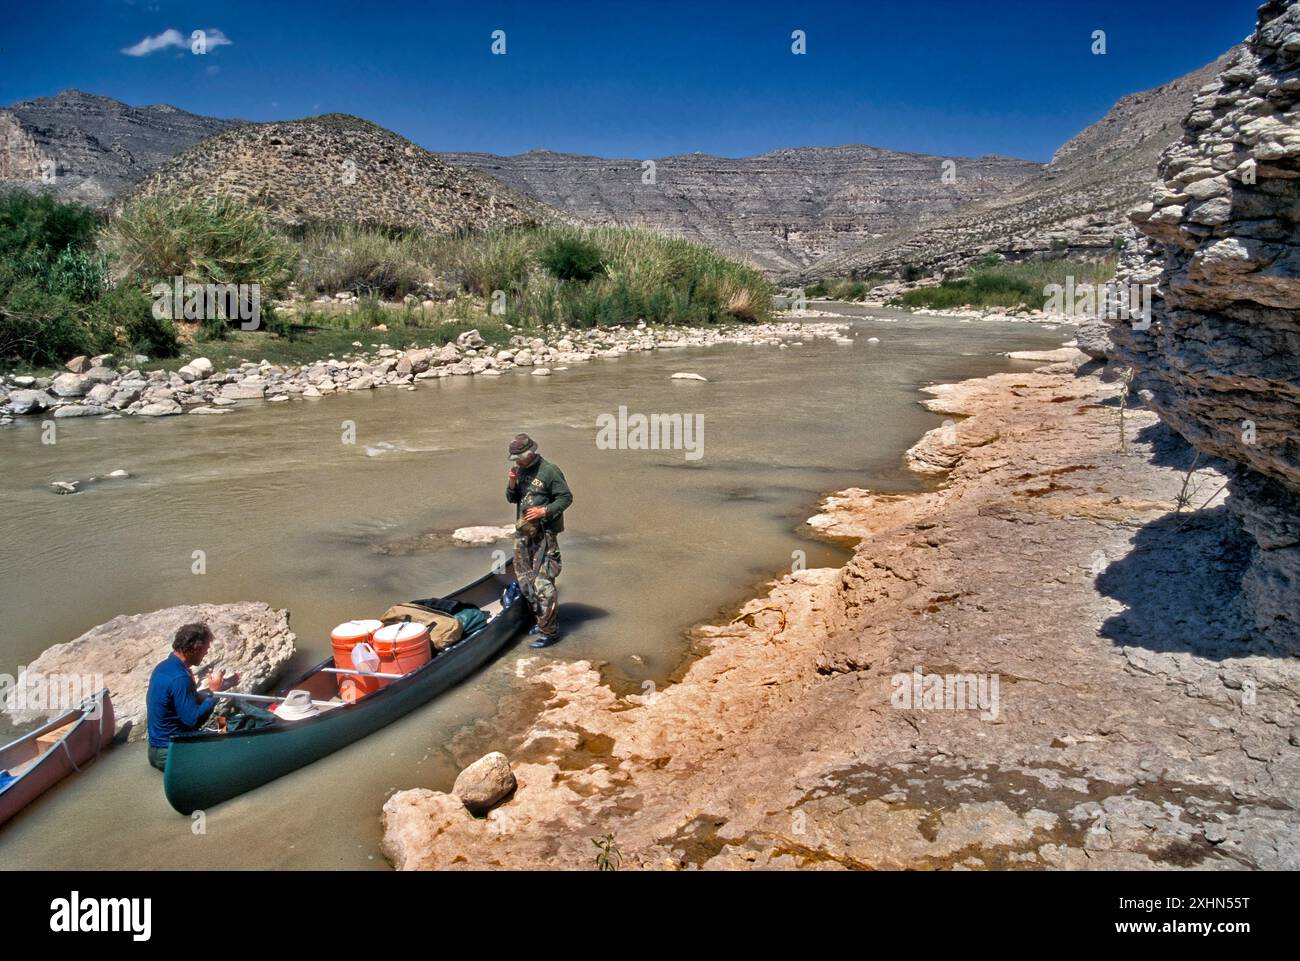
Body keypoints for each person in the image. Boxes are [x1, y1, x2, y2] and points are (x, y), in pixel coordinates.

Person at [506, 433, 573, 648]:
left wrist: (544, 510)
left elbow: (566, 497)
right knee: (525, 580)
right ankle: (539, 619)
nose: (518, 461)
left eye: (521, 457)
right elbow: (512, 498)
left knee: (543, 583)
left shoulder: (549, 471)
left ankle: (550, 632)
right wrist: (513, 481)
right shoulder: (520, 469)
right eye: (515, 458)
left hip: (544, 535)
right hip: (524, 534)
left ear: (531, 452)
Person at [145, 622, 235, 771]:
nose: (206, 652)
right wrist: (214, 694)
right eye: (205, 649)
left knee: (222, 721)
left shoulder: (165, 667)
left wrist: (223, 685)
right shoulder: (180, 677)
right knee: (227, 738)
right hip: (172, 753)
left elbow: (186, 699)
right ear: (195, 649)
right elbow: (193, 720)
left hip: (156, 750)